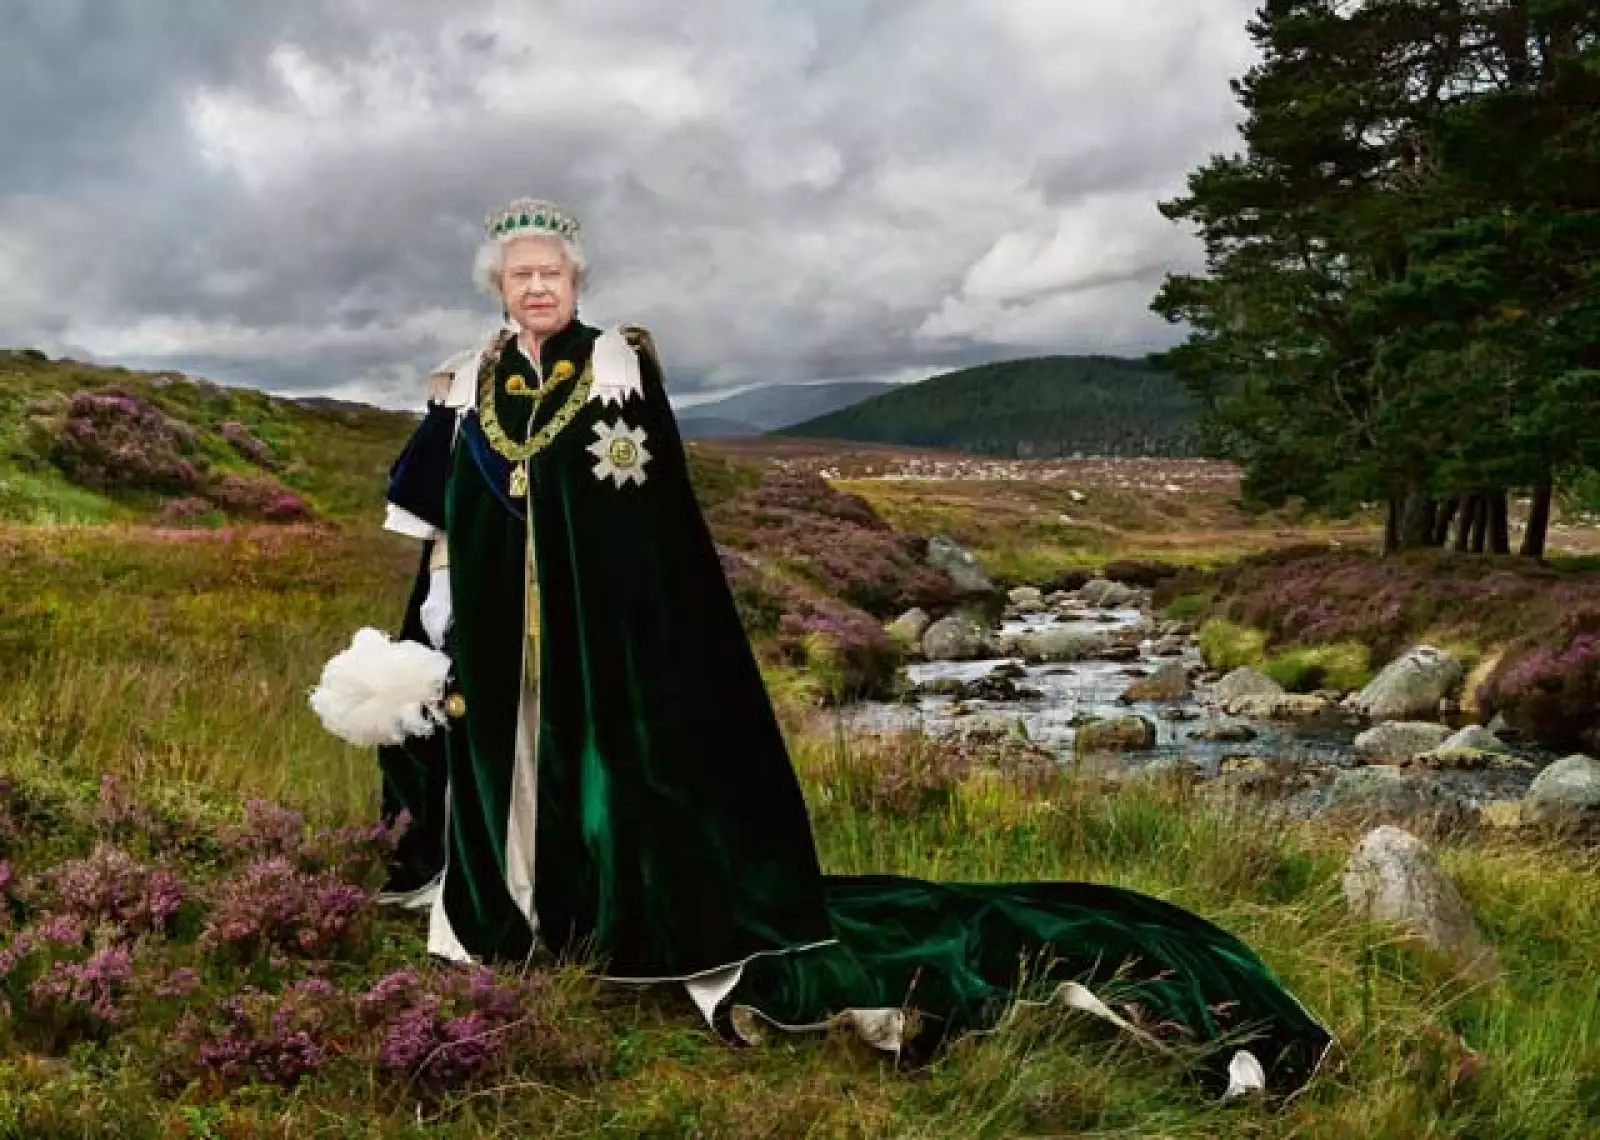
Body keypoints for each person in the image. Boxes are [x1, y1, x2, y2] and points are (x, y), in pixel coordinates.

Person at [358, 197, 1331, 1097]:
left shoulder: (618, 365)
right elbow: (439, 515)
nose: (538, 289)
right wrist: (437, 610)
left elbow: (654, 538)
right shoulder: (467, 382)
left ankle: (612, 929)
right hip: (493, 646)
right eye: (521, 275)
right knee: (505, 780)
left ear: (578, 281)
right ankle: (517, 927)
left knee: (608, 786)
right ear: (498, 284)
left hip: (599, 648)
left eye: (554, 275)